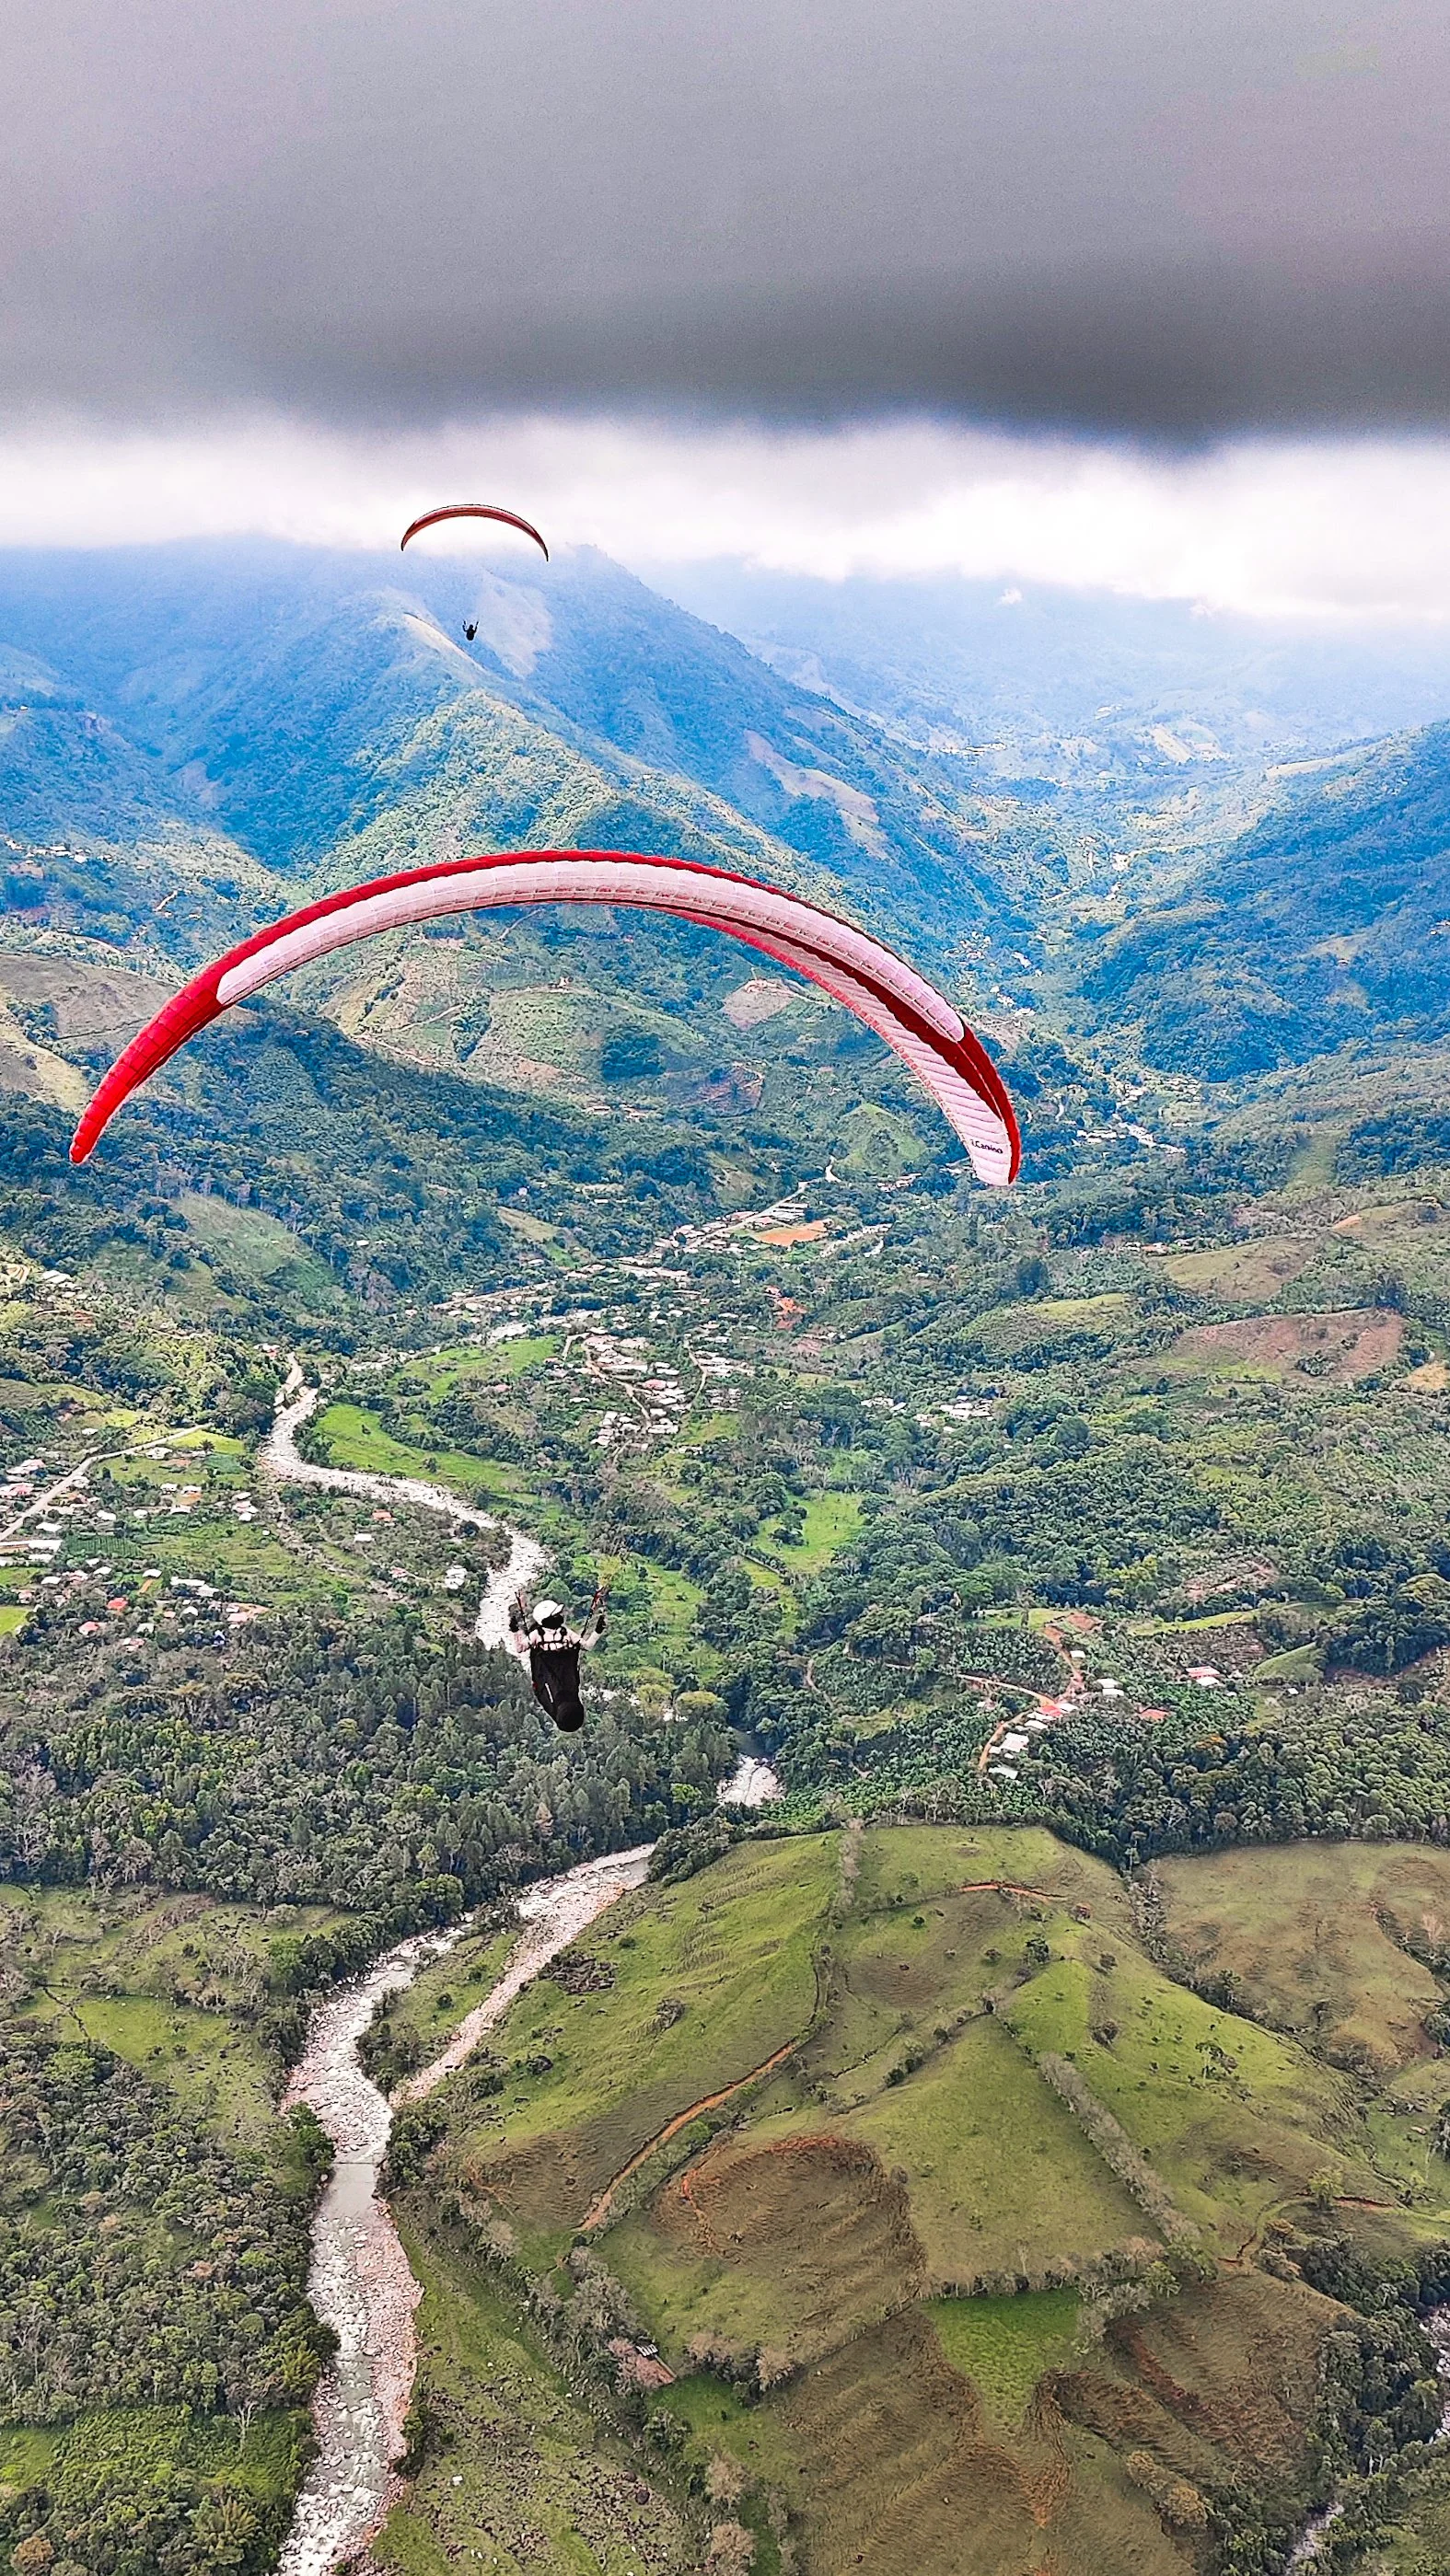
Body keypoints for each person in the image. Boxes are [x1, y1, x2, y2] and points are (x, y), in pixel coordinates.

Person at [507, 1590, 607, 1732]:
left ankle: (567, 1710)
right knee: (559, 1693)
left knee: (565, 1693)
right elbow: (520, 1648)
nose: (559, 1617)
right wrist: (515, 1630)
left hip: (564, 1670)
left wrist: (597, 1631)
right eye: (555, 1615)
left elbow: (587, 1646)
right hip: (548, 1670)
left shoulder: (564, 1632)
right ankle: (563, 1710)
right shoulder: (539, 1634)